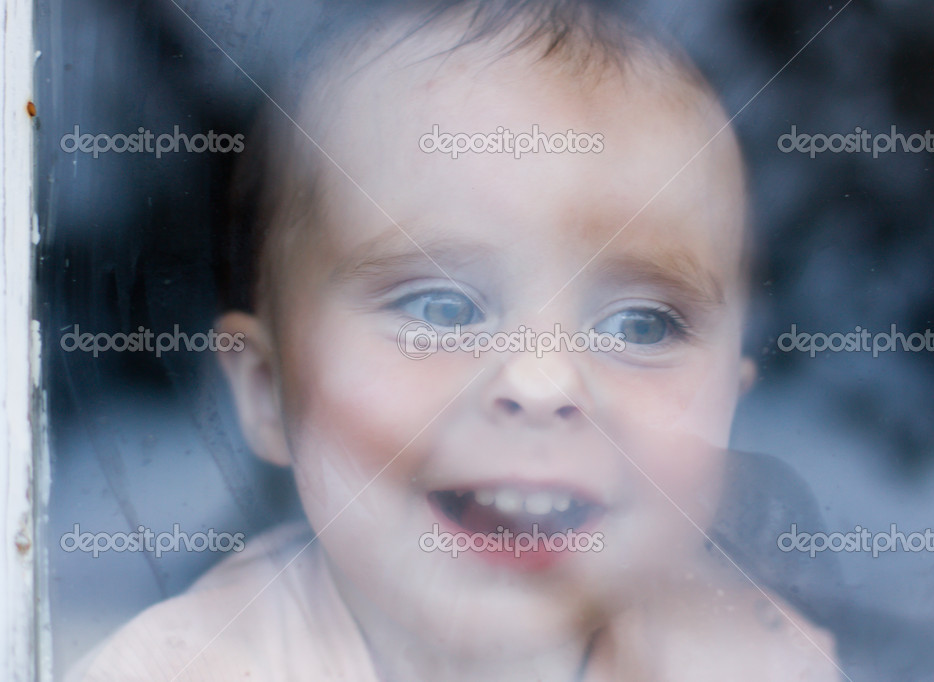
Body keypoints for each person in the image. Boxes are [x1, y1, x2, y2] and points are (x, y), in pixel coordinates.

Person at [71, 1, 841, 679]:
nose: (541, 382)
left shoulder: (759, 663)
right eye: (442, 308)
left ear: (724, 415)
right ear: (269, 393)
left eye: (640, 325)